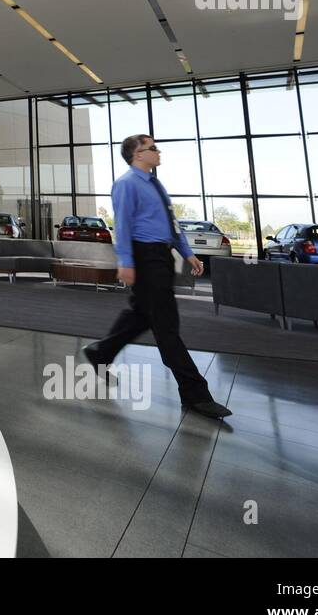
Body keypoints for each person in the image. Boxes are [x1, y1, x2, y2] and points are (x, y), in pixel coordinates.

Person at [81, 134, 232, 420]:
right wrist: (126, 262)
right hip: (144, 257)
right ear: (137, 154)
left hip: (161, 256)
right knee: (166, 326)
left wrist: (187, 253)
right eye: (151, 148)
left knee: (141, 316)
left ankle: (101, 353)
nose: (157, 151)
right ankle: (195, 394)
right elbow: (122, 225)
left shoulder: (156, 185)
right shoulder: (126, 184)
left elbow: (171, 225)